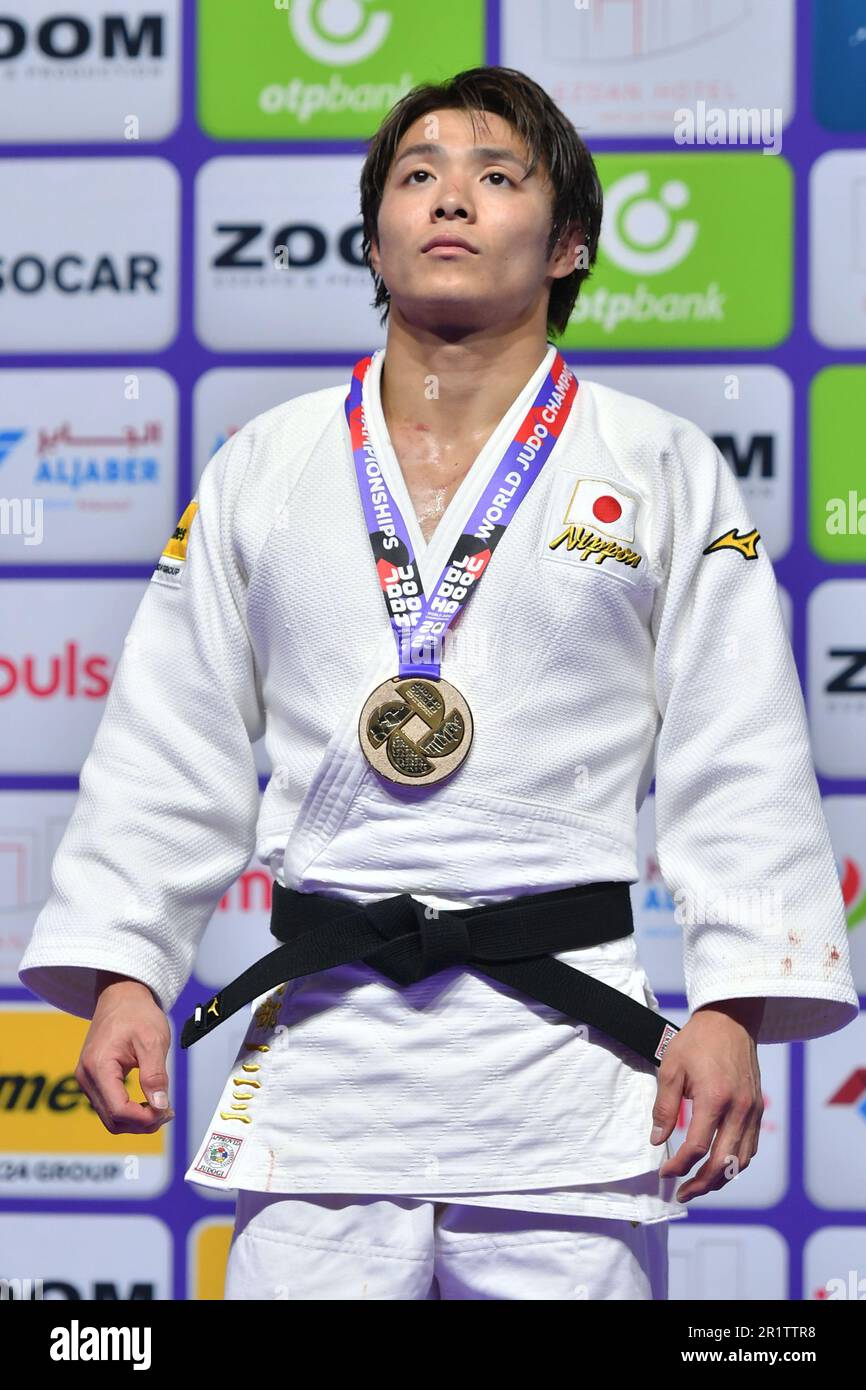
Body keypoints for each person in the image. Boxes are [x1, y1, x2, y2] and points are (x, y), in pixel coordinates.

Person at [18, 67, 858, 1302]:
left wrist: (730, 1001)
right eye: (417, 176)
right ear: (375, 235)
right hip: (326, 1073)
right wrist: (128, 967)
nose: (448, 199)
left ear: (566, 242)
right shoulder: (269, 460)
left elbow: (735, 753)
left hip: (567, 1072)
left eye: (495, 176)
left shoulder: (659, 462)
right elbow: (166, 737)